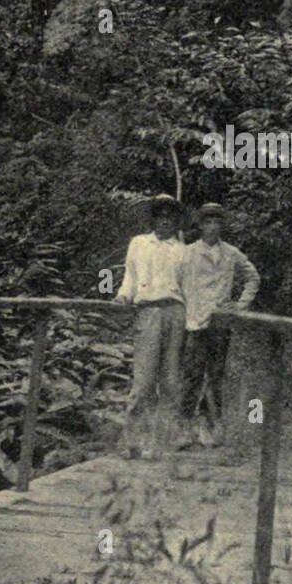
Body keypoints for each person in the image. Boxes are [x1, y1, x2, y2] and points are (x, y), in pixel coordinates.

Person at [178, 203, 260, 448]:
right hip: (195, 321)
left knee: (216, 375)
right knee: (192, 375)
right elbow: (176, 282)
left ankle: (209, 425)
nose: (212, 227)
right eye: (207, 222)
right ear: (200, 225)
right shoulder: (188, 252)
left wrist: (239, 305)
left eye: (217, 222)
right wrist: (186, 306)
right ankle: (184, 428)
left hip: (221, 323)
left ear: (222, 226)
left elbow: (253, 277)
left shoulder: (231, 252)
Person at [113, 193, 186, 460]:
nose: (165, 222)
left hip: (176, 313)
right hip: (148, 312)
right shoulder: (139, 244)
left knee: (169, 381)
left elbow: (189, 287)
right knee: (143, 381)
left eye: (170, 217)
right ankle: (131, 440)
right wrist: (123, 295)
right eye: (160, 216)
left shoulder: (182, 250)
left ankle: (157, 444)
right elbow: (129, 277)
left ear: (176, 221)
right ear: (153, 219)